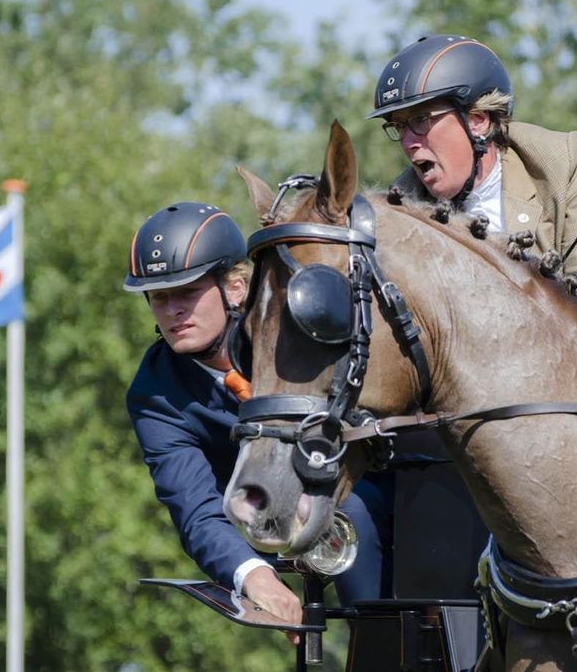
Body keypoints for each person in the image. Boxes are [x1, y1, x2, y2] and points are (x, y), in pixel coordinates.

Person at [124, 202, 392, 631]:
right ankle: (379, 653)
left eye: (187, 292)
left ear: (235, 288)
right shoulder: (154, 393)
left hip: (390, 477)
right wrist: (255, 577)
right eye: (159, 297)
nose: (173, 311)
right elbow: (196, 509)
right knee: (350, 515)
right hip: (304, 521)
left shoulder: (298, 330)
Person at [369, 34, 577, 324]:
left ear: (478, 120)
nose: (407, 143)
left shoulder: (562, 161)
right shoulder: (399, 211)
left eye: (420, 120)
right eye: (398, 126)